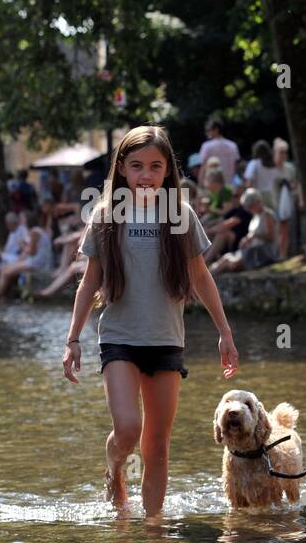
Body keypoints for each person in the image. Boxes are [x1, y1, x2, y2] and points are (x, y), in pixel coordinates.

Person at [62, 124, 238, 516]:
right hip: (119, 338)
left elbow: (200, 276)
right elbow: (89, 280)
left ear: (166, 172)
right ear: (122, 168)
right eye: (137, 165)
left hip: (166, 340)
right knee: (128, 429)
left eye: (155, 166)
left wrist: (224, 332)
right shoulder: (107, 216)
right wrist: (72, 339)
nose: (146, 175)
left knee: (157, 444)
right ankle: (115, 470)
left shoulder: (180, 215)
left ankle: (154, 531)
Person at [209, 188, 279, 274]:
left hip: (263, 251)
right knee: (226, 257)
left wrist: (254, 236)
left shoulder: (267, 215)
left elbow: (270, 237)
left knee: (229, 261)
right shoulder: (255, 216)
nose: (248, 210)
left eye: (250, 207)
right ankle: (205, 276)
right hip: (253, 249)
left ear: (257, 202)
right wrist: (246, 239)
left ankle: (206, 277)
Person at [198, 118, 241, 184]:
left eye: (208, 130)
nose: (207, 133)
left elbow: (203, 167)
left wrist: (200, 184)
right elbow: (236, 168)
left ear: (216, 130)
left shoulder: (206, 146)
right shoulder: (233, 145)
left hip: (211, 186)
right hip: (229, 185)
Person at [243, 140, 283, 210]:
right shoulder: (274, 165)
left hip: (259, 197)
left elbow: (249, 184)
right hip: (274, 195)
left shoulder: (254, 164)